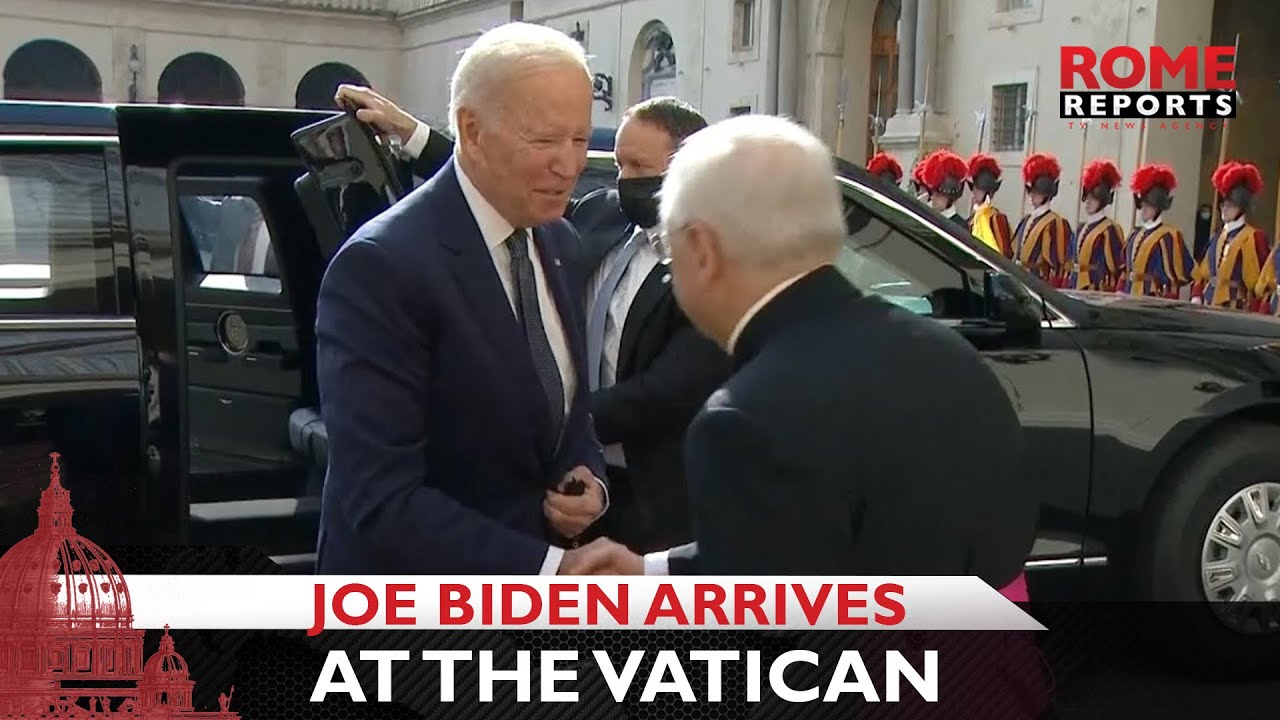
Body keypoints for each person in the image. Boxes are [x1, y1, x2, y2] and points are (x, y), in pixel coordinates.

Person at [563, 115, 1036, 594]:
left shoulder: (746, 422)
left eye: (670, 244)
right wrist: (651, 570)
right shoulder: (948, 354)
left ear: (703, 249)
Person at [333, 87, 729, 554]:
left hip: (651, 506)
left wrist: (547, 421)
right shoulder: (596, 217)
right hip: (558, 503)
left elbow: (663, 393)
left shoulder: (716, 266)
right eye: (620, 164)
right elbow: (495, 192)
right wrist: (413, 134)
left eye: (640, 168)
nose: (624, 180)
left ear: (688, 168)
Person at [314, 22, 608, 575]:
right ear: (472, 130)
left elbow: (564, 413)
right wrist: (550, 570)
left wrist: (588, 477)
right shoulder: (383, 266)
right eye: (545, 140)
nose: (568, 165)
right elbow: (381, 500)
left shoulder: (559, 242)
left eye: (579, 139)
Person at [1192, 160, 1269, 310]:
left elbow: (1259, 282)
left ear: (1242, 207)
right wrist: (1197, 295)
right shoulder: (1217, 237)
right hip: (1209, 302)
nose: (1224, 209)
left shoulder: (1253, 237)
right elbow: (1202, 273)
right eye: (1223, 205)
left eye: (1230, 205)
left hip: (1235, 305)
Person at [1123, 163, 1192, 298]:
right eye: (1142, 204)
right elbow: (1124, 269)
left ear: (1159, 207)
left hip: (1152, 297)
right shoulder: (1135, 234)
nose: (1143, 209)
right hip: (1129, 293)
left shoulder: (1169, 235)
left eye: (1148, 205)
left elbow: (1175, 278)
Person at [1013, 153, 1072, 286]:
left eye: (1036, 191)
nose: (1032, 194)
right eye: (1031, 190)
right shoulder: (1026, 220)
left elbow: (1058, 266)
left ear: (1046, 192)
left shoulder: (1055, 223)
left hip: (1038, 284)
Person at [1069, 158, 1126, 291]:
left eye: (1093, 197)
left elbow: (1115, 267)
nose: (1088, 201)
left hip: (1095, 288)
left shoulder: (1110, 229)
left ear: (1103, 199)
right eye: (1087, 196)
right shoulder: (1080, 228)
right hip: (1075, 285)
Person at [966, 152, 1013, 258]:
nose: (973, 191)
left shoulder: (997, 218)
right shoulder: (973, 218)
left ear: (988, 191)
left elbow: (1003, 255)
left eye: (978, 188)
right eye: (974, 187)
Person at [918, 149, 969, 228]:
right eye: (933, 193)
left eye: (938, 195)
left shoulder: (960, 227)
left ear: (950, 198)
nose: (933, 197)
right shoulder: (928, 218)